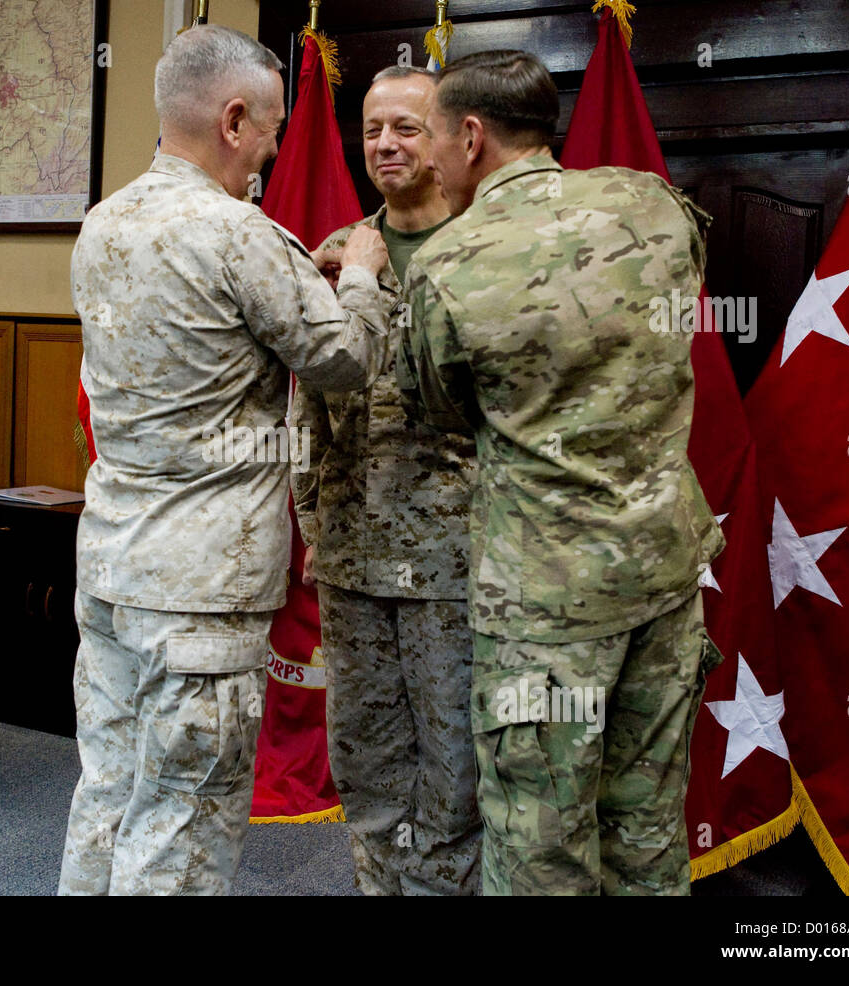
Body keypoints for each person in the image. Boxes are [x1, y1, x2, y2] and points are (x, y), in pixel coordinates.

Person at [61, 24, 393, 895]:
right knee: (183, 821)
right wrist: (357, 270)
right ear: (234, 119)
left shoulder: (103, 222)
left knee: (109, 790)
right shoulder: (240, 235)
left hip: (112, 569)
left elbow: (212, 324)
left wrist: (299, 272)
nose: (280, 147)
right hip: (200, 596)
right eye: (274, 127)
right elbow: (348, 359)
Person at [396, 50, 725, 895]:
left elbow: (440, 411)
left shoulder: (448, 262)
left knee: (540, 841)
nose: (426, 157)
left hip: (543, 609)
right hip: (665, 578)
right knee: (649, 827)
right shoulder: (651, 202)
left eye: (430, 136)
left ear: (471, 136)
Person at [290, 65, 481, 895]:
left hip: (457, 557)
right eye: (372, 128)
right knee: (363, 750)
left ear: (450, 136)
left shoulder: (487, 252)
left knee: (454, 757)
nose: (385, 144)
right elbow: (308, 415)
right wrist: (310, 524)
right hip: (353, 548)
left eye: (407, 126)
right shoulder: (338, 257)